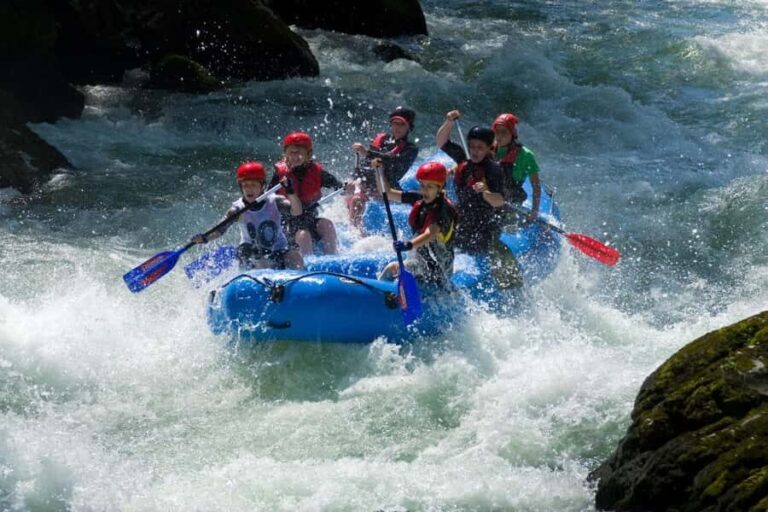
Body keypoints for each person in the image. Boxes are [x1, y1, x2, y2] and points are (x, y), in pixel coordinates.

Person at [435, 109, 522, 289]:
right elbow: (441, 142)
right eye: (472, 146)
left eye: (480, 147)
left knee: (483, 246)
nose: (474, 151)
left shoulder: (494, 169)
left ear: (490, 148)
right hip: (461, 221)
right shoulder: (464, 159)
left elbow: (499, 201)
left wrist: (485, 191)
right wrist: (449, 122)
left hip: (484, 227)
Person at [191, 161, 304, 270]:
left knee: (297, 259)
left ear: (262, 186)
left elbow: (297, 211)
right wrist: (205, 238)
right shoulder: (237, 209)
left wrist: (290, 191)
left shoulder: (276, 201)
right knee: (263, 262)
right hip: (251, 251)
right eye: (245, 185)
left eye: (253, 185)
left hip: (278, 248)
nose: (249, 189)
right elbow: (220, 230)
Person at [378, 161, 458, 288]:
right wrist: (379, 171)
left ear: (440, 187)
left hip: (440, 266)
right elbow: (387, 193)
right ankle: (382, 292)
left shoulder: (443, 211)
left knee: (399, 272)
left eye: (429, 187)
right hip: (422, 260)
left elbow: (430, 233)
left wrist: (408, 245)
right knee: (391, 269)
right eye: (422, 185)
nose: (424, 190)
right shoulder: (419, 199)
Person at [269, 132, 345, 255]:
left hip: (309, 220)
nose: (295, 157)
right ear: (285, 154)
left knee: (327, 225)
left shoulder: (317, 172)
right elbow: (268, 199)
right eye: (292, 153)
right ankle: (307, 263)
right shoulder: (279, 175)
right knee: (304, 235)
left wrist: (346, 187)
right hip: (287, 226)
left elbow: (339, 187)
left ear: (308, 155)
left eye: (299, 153)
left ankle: (332, 258)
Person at [349, 106, 419, 230]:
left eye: (402, 124)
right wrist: (354, 179)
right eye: (395, 123)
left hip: (389, 187)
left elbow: (392, 159)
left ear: (409, 127)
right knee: (350, 196)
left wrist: (367, 153)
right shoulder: (381, 139)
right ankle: (354, 231)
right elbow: (365, 164)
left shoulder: (411, 149)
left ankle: (361, 233)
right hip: (369, 183)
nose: (397, 127)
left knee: (357, 200)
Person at [492, 112, 541, 223]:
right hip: (493, 195)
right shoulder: (490, 149)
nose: (499, 136)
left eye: (504, 132)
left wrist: (534, 210)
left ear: (512, 134)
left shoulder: (526, 155)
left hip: (512, 200)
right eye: (497, 131)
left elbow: (536, 186)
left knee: (508, 220)